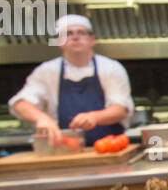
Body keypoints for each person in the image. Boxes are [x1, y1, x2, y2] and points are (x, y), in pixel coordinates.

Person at [9, 14, 132, 145]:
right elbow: (20, 104)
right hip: (63, 149)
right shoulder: (45, 71)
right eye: (68, 33)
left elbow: (120, 109)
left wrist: (94, 117)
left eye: (81, 32)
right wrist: (42, 119)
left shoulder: (111, 68)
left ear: (92, 40)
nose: (75, 37)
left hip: (110, 148)